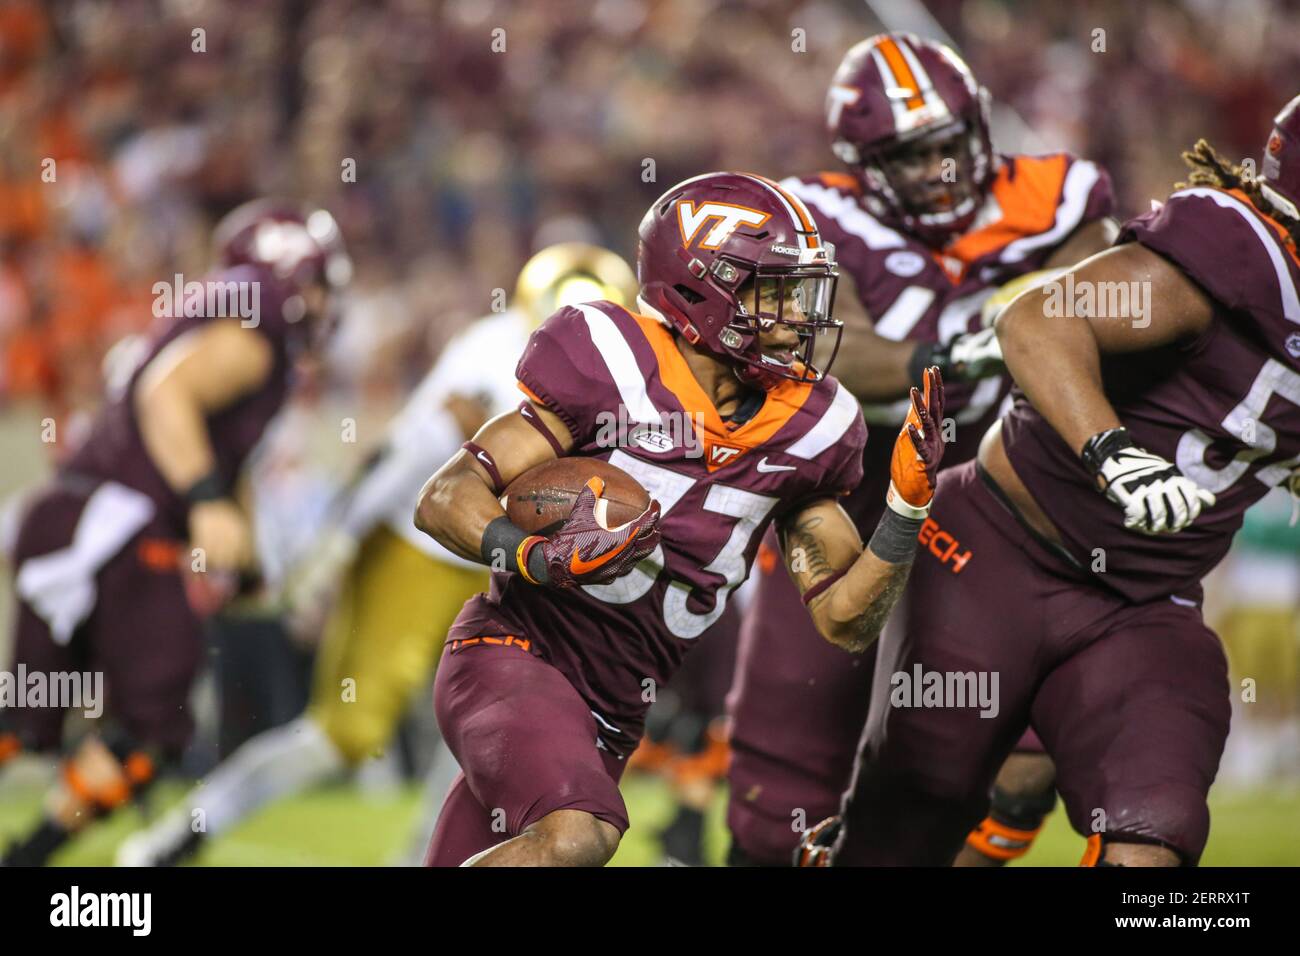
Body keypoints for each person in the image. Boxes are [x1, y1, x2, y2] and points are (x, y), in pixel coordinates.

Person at [415, 170, 947, 866]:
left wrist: (904, 512)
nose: (795, 315)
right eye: (773, 290)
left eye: (797, 291)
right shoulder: (611, 357)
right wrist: (536, 556)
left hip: (613, 715)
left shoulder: (814, 427)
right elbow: (446, 497)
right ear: (702, 287)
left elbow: (846, 619)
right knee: (578, 835)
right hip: (513, 656)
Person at [828, 94, 1300, 867]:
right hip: (998, 552)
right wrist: (1113, 452)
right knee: (908, 823)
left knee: (1156, 837)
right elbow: (1038, 319)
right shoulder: (1231, 257)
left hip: (1147, 603)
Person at [113, 243, 641, 866]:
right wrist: (339, 542)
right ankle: (185, 833)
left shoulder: (630, 372)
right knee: (346, 732)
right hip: (422, 548)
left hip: (514, 569)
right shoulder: (495, 347)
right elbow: (414, 451)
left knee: (488, 747)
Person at [726, 32, 1116, 867]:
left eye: (950, 146)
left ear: (980, 131)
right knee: (782, 777)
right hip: (846, 487)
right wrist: (955, 351)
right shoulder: (815, 215)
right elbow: (829, 351)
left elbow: (1109, 308)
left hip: (996, 486)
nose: (940, 170)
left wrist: (1040, 318)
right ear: (864, 165)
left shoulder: (1059, 196)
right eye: (911, 157)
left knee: (1015, 741)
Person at [0, 200, 350, 866]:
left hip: (94, 521)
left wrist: (245, 563)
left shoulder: (234, 309)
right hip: (109, 526)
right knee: (138, 723)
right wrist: (204, 501)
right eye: (317, 281)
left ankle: (25, 859)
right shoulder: (260, 313)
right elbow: (166, 394)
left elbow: (222, 452)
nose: (321, 300)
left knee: (47, 719)